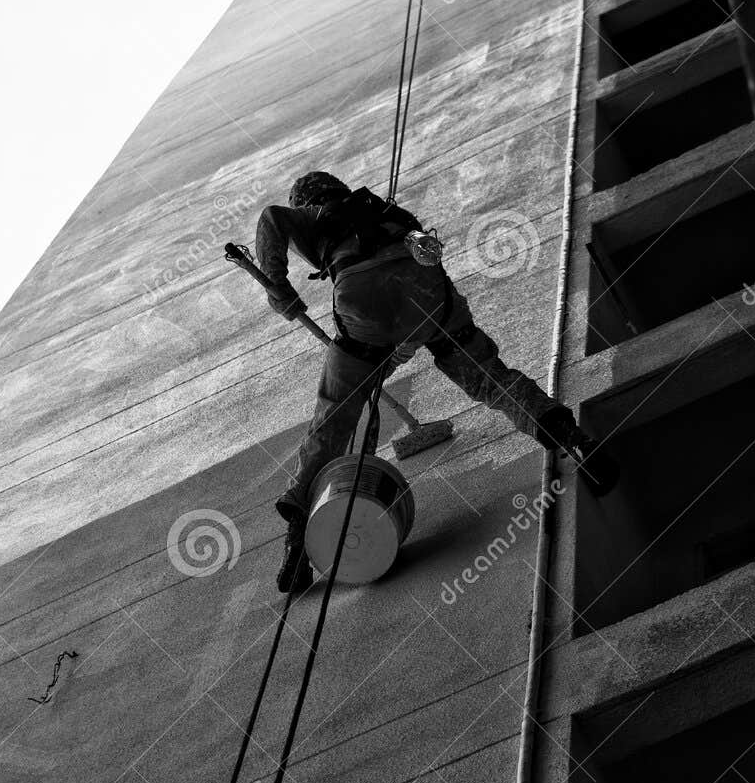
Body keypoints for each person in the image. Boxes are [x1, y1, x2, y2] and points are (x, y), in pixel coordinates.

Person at [256, 171, 614, 592]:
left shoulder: (313, 213)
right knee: (491, 380)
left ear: (307, 199)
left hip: (362, 299)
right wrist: (402, 343)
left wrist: (278, 288)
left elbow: (271, 220)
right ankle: (574, 439)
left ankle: (298, 544)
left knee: (333, 418)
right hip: (430, 295)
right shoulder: (385, 211)